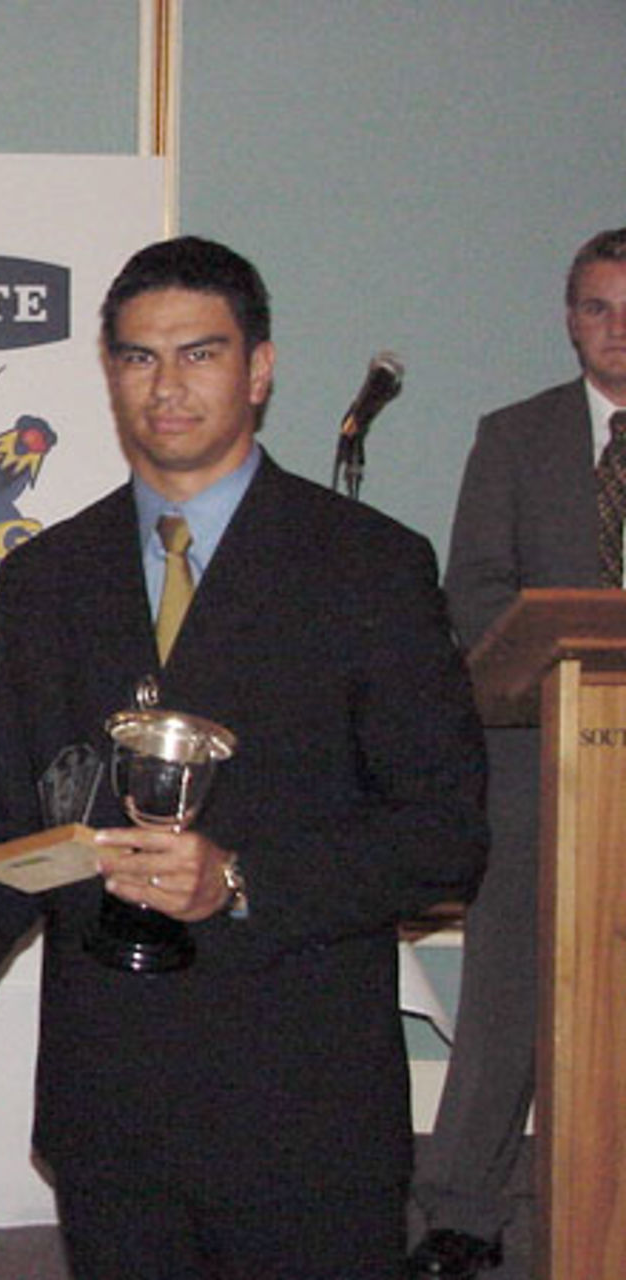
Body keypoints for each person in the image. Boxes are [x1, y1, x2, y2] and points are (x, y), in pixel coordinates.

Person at [0, 237, 489, 1279]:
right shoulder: (44, 578)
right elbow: (11, 832)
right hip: (112, 1113)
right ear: (107, 371)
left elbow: (444, 834)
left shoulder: (368, 565)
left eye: (198, 354)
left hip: (306, 1119)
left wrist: (238, 879)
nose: (166, 385)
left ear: (259, 368)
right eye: (137, 357)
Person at [407, 226, 626, 1280]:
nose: (615, 329)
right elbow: (472, 598)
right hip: (542, 755)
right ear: (566, 317)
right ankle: (459, 1210)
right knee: (505, 994)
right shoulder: (514, 436)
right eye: (595, 307)